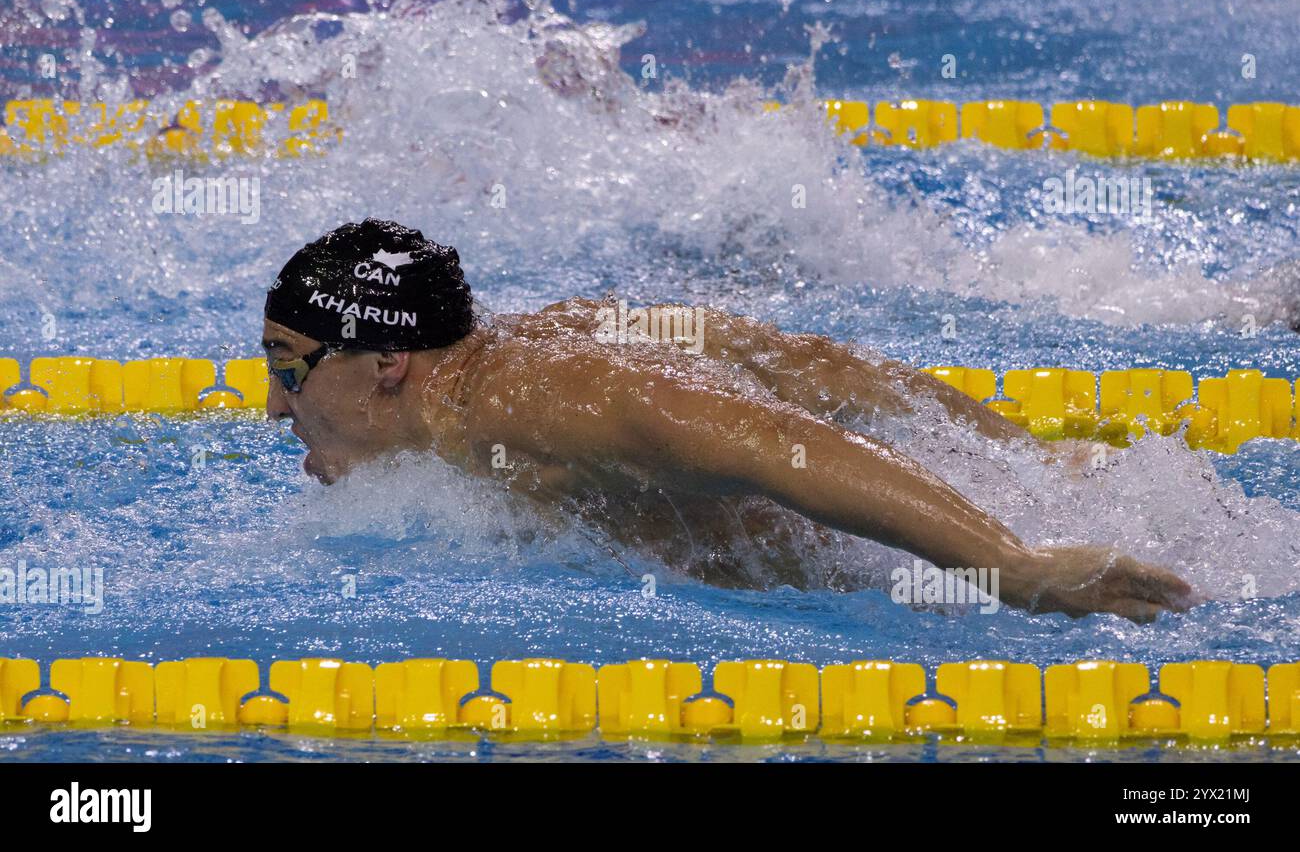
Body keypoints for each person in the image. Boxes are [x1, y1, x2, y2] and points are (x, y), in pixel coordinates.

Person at [262, 218, 1194, 621]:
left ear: (387, 362)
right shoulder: (551, 338)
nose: (275, 408)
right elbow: (813, 365)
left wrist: (1012, 563)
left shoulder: (529, 404)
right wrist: (1033, 461)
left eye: (288, 369)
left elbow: (781, 441)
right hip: (995, 516)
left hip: (909, 582)